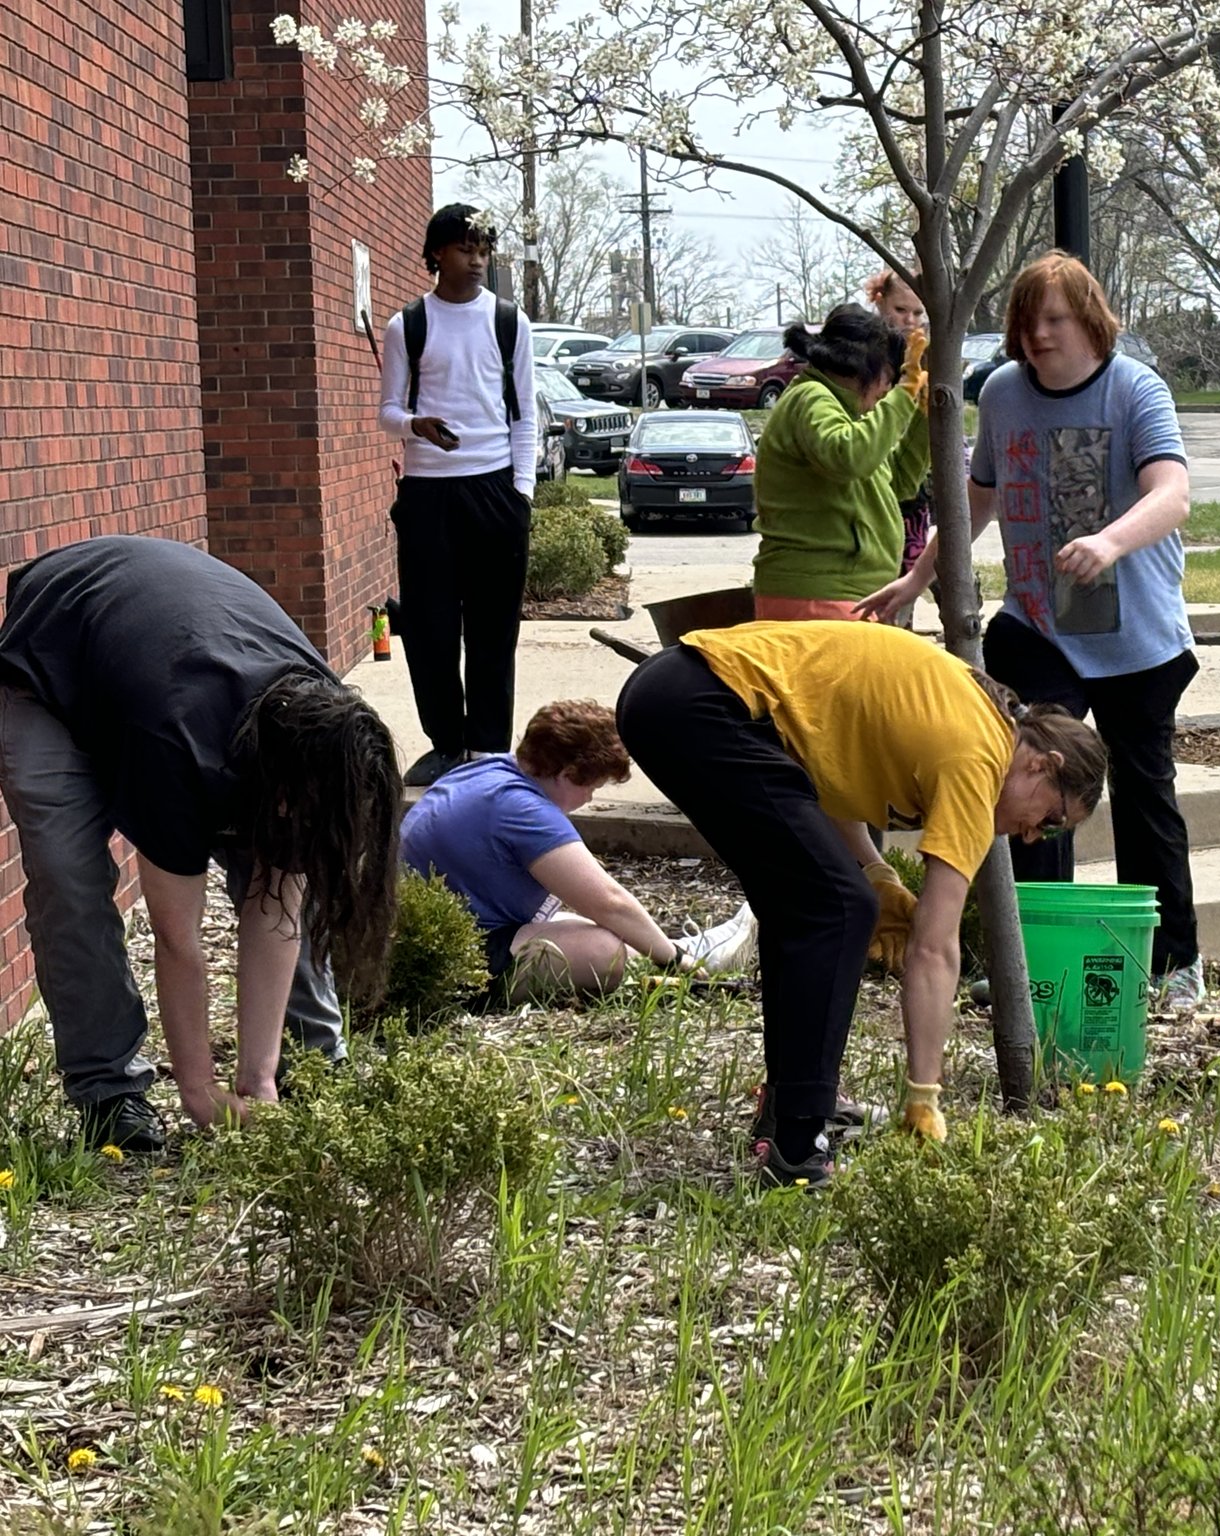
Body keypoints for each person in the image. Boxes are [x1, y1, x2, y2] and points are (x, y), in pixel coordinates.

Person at [614, 621, 1106, 1186]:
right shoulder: (981, 760)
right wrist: (924, 1097)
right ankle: (797, 1147)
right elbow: (934, 948)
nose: (1030, 837)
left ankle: (794, 1107)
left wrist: (873, 870)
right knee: (834, 910)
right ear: (1044, 765)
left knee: (811, 905)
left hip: (677, 690)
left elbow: (828, 755)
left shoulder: (979, 717)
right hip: (706, 703)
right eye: (1049, 820)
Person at [858, 252, 1204, 1009]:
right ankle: (1027, 959)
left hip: (1136, 638)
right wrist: (917, 577)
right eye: (1026, 320)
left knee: (1145, 797)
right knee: (1028, 777)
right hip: (1038, 628)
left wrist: (1111, 541)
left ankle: (1174, 964)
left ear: (1088, 319)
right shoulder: (1005, 393)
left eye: (1054, 319)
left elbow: (1172, 494)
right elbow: (975, 500)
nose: (1038, 334)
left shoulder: (1134, 389)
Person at [0, 536, 402, 1151]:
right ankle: (108, 1091)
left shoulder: (329, 727)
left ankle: (311, 1061)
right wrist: (198, 1091)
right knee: (69, 879)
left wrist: (255, 1078)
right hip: (55, 648)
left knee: (283, 874)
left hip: (160, 645)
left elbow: (277, 906)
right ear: (286, 789)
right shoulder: (178, 744)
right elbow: (177, 939)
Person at [400, 700, 755, 1002]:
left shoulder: (484, 773)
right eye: (593, 787)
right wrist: (675, 959)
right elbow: (608, 901)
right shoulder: (525, 810)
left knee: (582, 926)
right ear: (568, 773)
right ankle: (695, 959)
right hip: (461, 961)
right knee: (604, 951)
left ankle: (698, 948)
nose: (589, 800)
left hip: (423, 936)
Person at [379, 203, 537, 787]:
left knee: (494, 628)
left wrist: (521, 492)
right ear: (437, 254)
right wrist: (414, 425)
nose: (476, 261)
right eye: (465, 249)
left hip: (495, 490)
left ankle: (490, 747)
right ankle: (446, 743)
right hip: (427, 495)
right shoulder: (408, 325)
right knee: (430, 627)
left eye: (482, 250)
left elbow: (524, 414)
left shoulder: (508, 321)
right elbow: (388, 411)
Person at [750, 305, 929, 622]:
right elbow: (849, 457)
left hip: (843, 595)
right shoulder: (811, 398)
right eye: (888, 376)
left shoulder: (848, 415)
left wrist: (925, 420)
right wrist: (904, 395)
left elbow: (898, 482)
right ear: (862, 368)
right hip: (818, 594)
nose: (887, 388)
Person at [866, 268, 933, 631]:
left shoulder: (926, 356)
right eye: (901, 309)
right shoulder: (867, 356)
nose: (909, 320)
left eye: (918, 312)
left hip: (912, 499)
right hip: (874, 481)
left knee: (901, 597)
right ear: (879, 302)